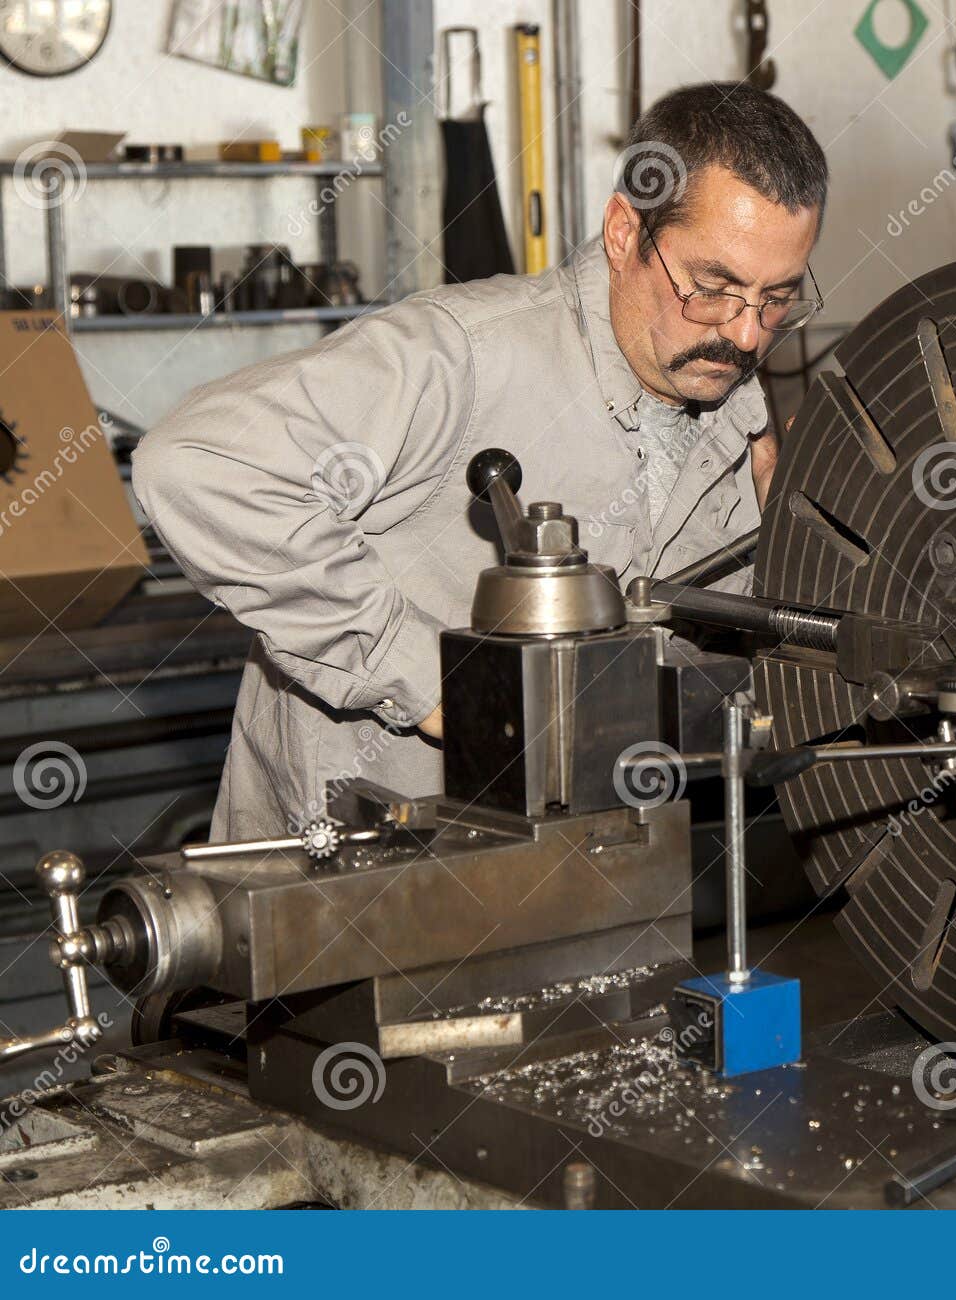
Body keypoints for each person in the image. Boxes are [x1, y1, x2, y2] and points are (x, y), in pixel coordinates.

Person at [132, 82, 828, 840]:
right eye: (714, 288)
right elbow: (194, 464)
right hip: (364, 875)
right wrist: (436, 683)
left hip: (600, 869)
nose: (749, 335)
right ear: (626, 233)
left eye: (779, 299)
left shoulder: (739, 413)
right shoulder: (461, 357)